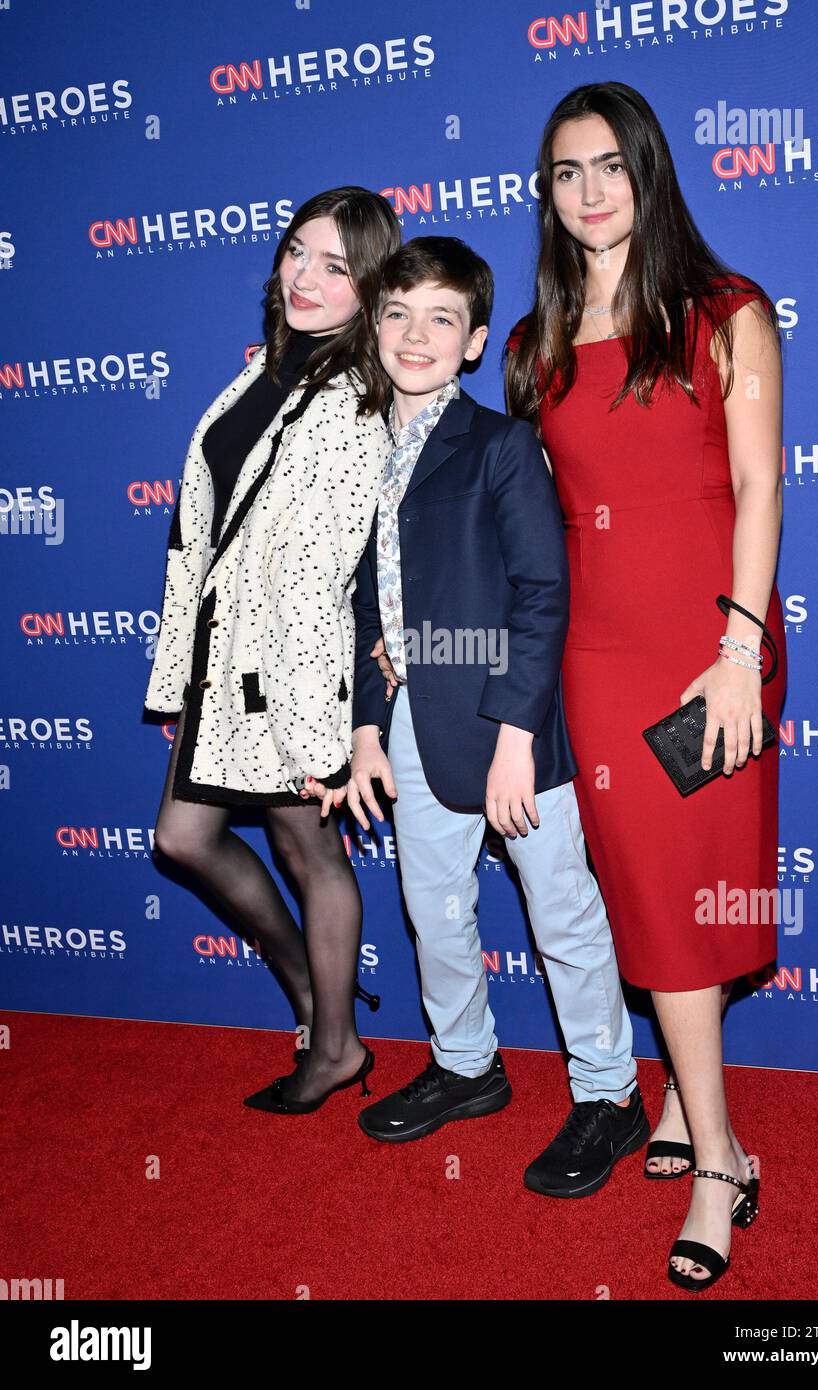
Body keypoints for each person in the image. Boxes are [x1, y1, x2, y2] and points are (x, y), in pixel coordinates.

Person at [505, 82, 787, 1289]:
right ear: (547, 193)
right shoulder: (533, 345)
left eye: (610, 165)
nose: (590, 191)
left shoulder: (725, 312)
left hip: (709, 648)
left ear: (650, 171)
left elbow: (759, 490)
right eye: (566, 172)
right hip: (595, 658)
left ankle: (719, 1159)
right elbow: (532, 528)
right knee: (655, 908)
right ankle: (684, 1104)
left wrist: (736, 648)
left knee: (692, 905)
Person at [344, 236, 646, 1198]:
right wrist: (362, 727)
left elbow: (540, 594)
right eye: (397, 314)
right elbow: (364, 606)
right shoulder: (360, 453)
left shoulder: (502, 445)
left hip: (515, 732)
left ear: (475, 341)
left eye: (442, 317)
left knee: (562, 914)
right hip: (411, 724)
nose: (416, 334)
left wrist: (519, 737)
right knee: (434, 910)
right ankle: (468, 1065)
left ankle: (610, 1094)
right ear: (374, 328)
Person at [144, 187, 400, 1115]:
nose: (308, 276)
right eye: (299, 252)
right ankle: (313, 994)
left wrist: (309, 727)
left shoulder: (354, 397)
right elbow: (198, 536)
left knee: (311, 855)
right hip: (224, 660)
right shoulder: (263, 372)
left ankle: (333, 1044)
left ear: (371, 289)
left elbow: (324, 573)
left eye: (338, 266)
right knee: (184, 838)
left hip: (288, 676)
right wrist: (183, 668)